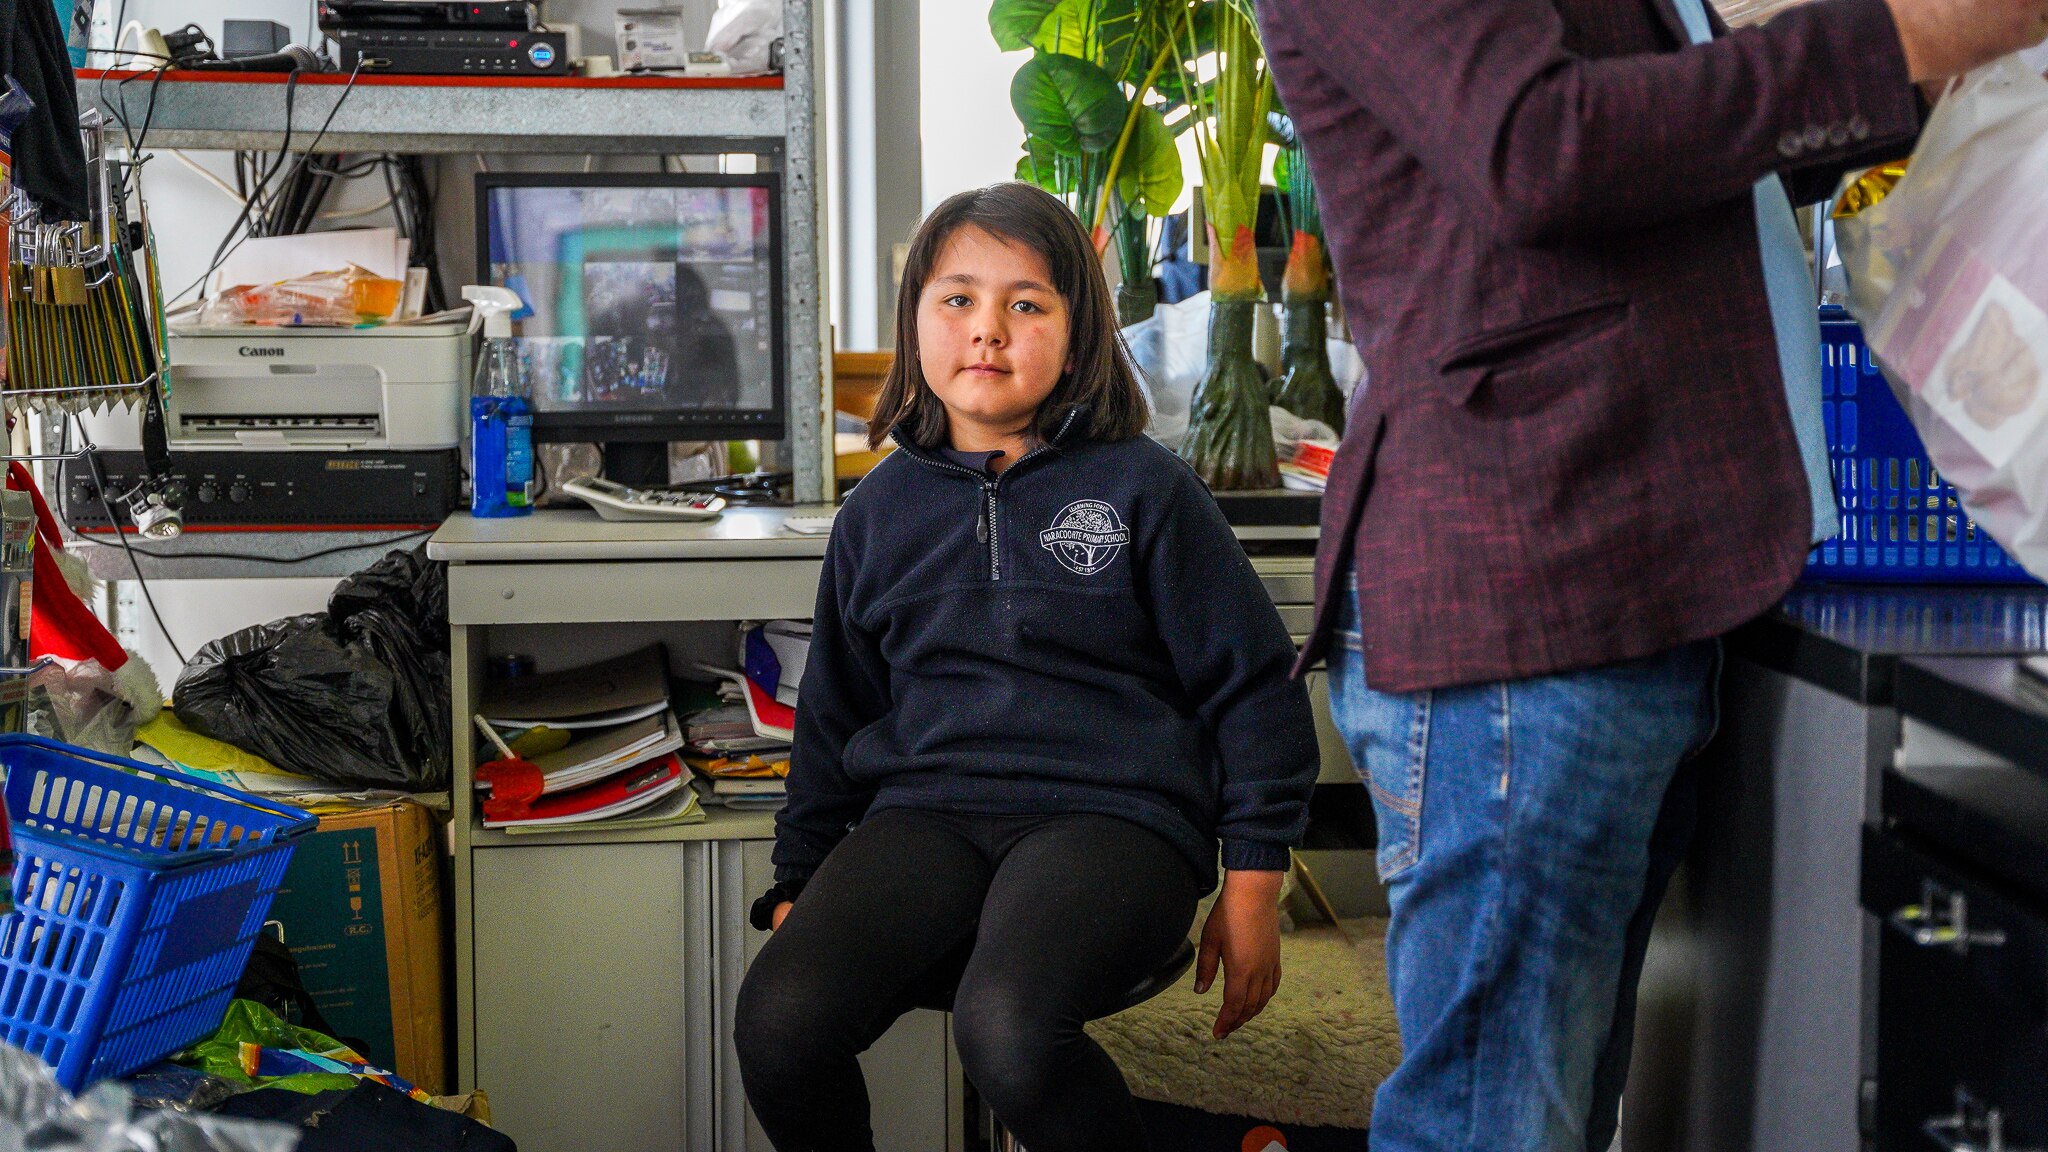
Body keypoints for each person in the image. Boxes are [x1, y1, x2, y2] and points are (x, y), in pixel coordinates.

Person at [1257, 0, 2048, 1150]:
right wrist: (1898, 40)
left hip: (1609, 566)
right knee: (1493, 1122)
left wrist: (1928, 74)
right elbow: (1539, 146)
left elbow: (1681, 136)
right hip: (1533, 578)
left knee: (1546, 1112)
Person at [732, 181, 1321, 1152]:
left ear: (1078, 336)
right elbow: (834, 716)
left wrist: (1254, 878)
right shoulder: (874, 513)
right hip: (926, 814)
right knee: (779, 1021)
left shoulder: (1146, 488)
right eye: (958, 299)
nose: (987, 329)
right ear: (914, 321)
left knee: (1004, 1029)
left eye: (1027, 304)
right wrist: (799, 876)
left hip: (1114, 817)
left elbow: (1252, 685)